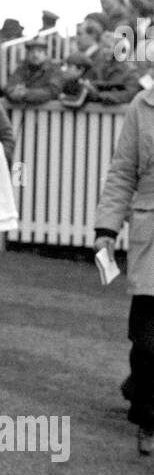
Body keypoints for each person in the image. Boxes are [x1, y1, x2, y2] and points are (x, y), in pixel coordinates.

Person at [94, 83, 154, 455]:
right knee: (147, 340)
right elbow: (122, 172)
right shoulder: (142, 105)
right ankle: (147, 413)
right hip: (150, 234)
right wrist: (106, 229)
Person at [3, 38, 60, 105]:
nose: (35, 55)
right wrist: (13, 92)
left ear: (45, 54)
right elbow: (9, 86)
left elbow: (52, 91)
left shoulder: (54, 69)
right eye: (32, 52)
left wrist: (26, 93)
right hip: (22, 112)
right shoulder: (22, 68)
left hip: (49, 112)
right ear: (27, 54)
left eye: (39, 51)